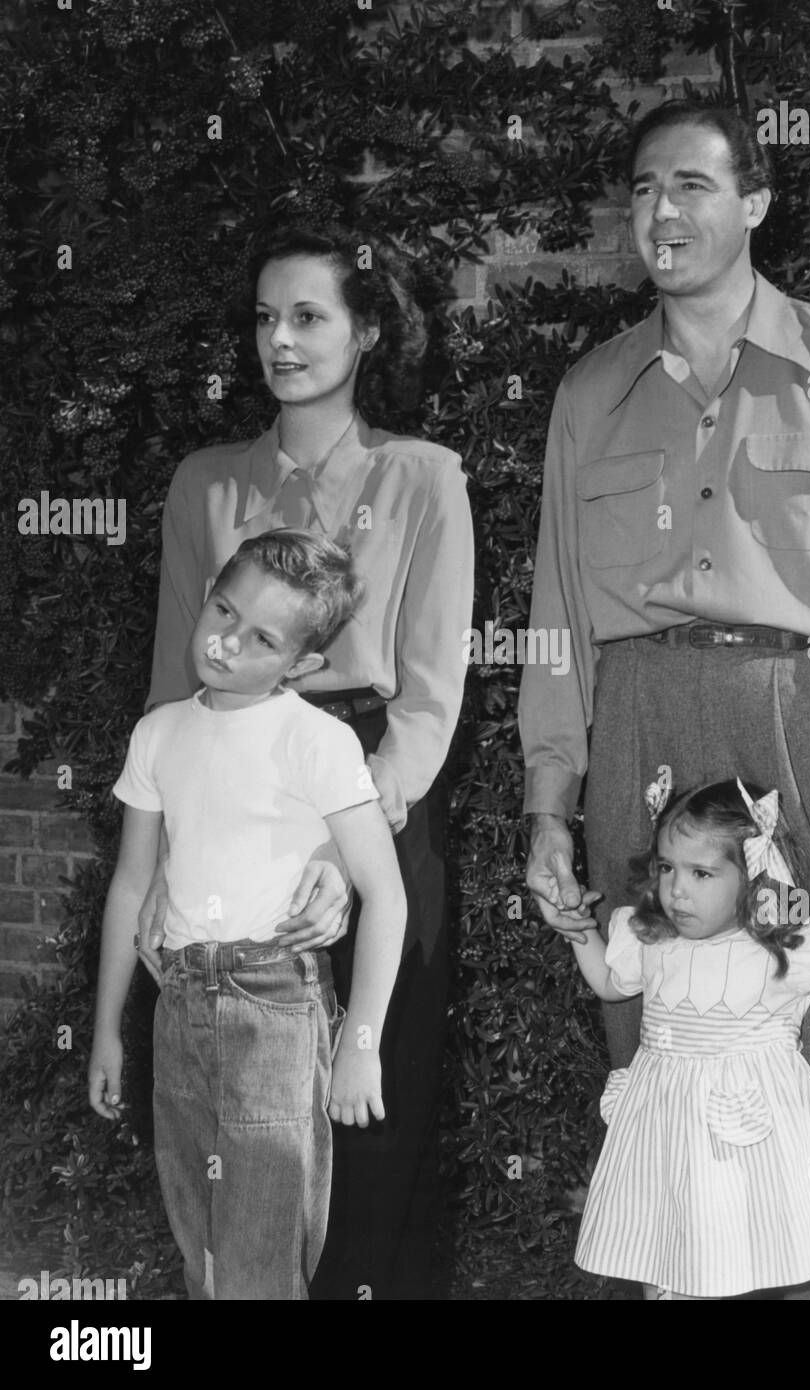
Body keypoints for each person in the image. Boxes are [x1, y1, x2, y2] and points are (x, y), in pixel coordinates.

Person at [519, 101, 810, 1299]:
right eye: (645, 188)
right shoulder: (589, 391)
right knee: (663, 1054)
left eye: (695, 185)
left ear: (755, 202)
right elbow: (556, 617)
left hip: (802, 725)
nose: (664, 211)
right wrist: (550, 807)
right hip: (640, 740)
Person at [143, 224, 475, 1300]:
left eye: (309, 317)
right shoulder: (204, 486)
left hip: (371, 805)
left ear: (367, 330)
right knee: (230, 1138)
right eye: (263, 317)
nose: (279, 340)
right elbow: (170, 692)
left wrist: (353, 843)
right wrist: (156, 871)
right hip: (230, 828)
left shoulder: (424, 479)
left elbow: (427, 700)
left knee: (367, 1121)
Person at [88, 529, 407, 1299]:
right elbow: (133, 884)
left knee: (258, 1270)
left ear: (299, 664)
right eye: (224, 610)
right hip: (179, 1010)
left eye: (261, 637)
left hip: (273, 1010)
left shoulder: (316, 741)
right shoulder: (158, 732)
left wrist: (360, 1042)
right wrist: (104, 1029)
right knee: (205, 1260)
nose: (226, 643)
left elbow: (386, 895)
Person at [561, 776, 810, 1301]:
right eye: (666, 868)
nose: (677, 889)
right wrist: (578, 929)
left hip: (742, 1152)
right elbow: (611, 984)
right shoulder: (651, 937)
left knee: (729, 1267)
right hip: (664, 1144)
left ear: (752, 876)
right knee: (665, 1265)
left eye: (701, 872)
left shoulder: (785, 947)